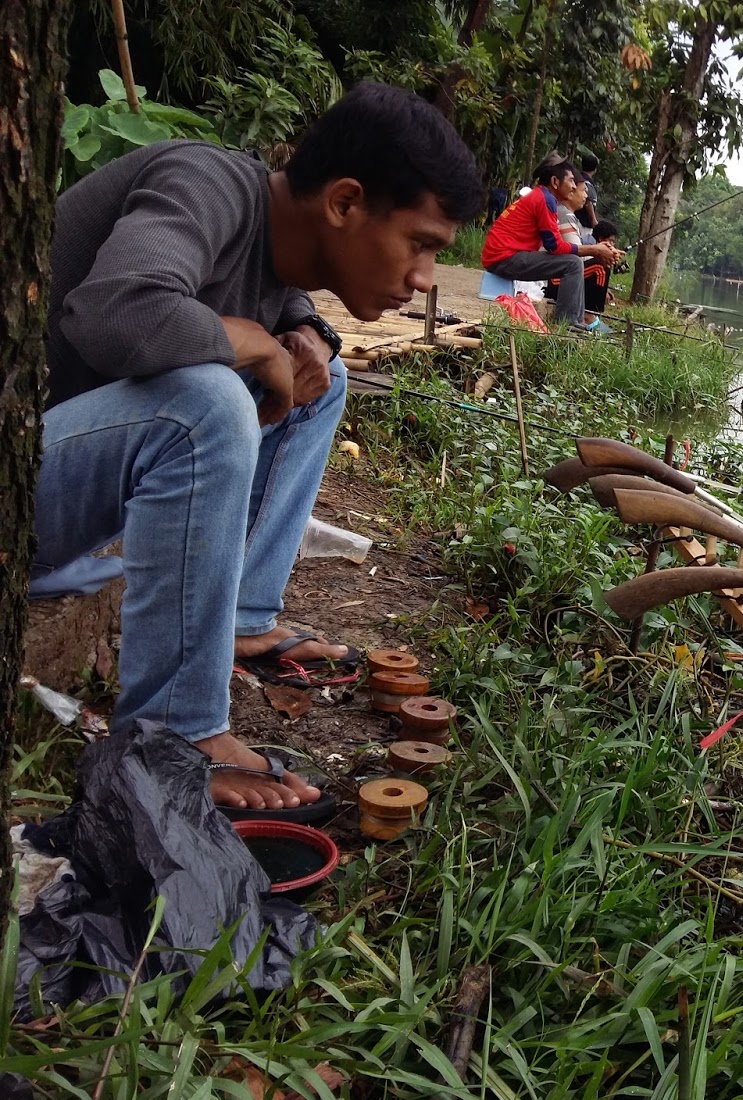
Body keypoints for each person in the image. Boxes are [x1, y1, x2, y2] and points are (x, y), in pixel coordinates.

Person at [34, 82, 483, 813]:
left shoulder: (277, 239)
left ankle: (240, 622)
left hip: (56, 484)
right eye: (421, 245)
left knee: (320, 375)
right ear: (343, 203)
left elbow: (271, 297)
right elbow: (113, 310)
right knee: (203, 404)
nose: (424, 280)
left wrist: (304, 334)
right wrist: (247, 340)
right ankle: (173, 736)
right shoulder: (203, 181)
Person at [481, 158, 622, 330]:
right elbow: (555, 247)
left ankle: (576, 321)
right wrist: (595, 249)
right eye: (570, 180)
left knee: (573, 262)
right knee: (572, 263)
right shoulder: (545, 199)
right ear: (555, 182)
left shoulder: (542, 197)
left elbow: (554, 245)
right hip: (503, 258)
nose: (573, 186)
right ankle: (568, 323)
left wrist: (598, 249)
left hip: (500, 256)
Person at [583, 219, 624, 314]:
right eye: (611, 241)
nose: (613, 245)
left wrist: (605, 290)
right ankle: (591, 315)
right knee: (602, 267)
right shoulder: (589, 247)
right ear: (601, 239)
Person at [575, 152, 600, 242]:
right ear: (595, 169)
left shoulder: (577, 178)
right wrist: (593, 219)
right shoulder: (587, 182)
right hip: (584, 222)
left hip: (576, 218)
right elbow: (588, 202)